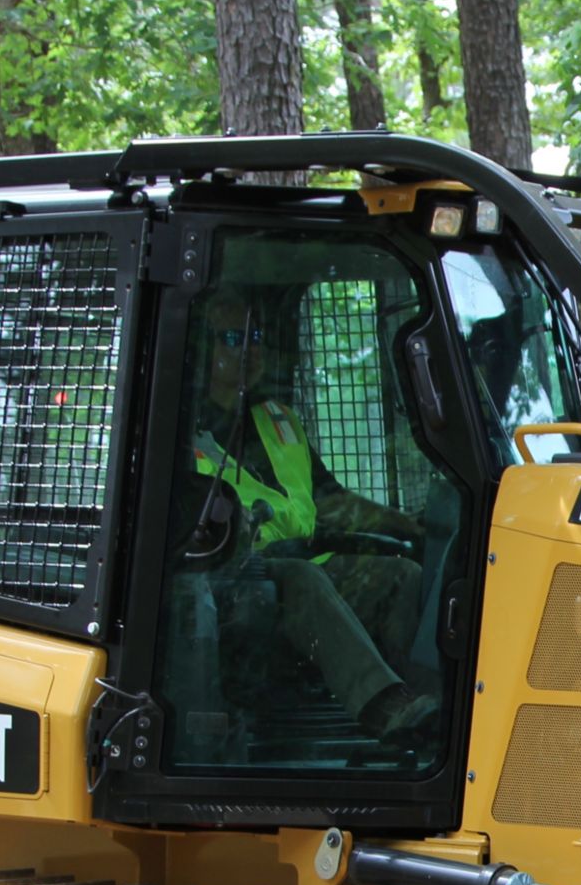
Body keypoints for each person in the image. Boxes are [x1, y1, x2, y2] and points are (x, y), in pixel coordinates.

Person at [186, 294, 439, 745]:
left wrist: (409, 527)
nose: (251, 350)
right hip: (229, 582)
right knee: (302, 579)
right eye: (232, 339)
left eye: (256, 337)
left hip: (304, 566)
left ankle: (424, 705)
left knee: (402, 574)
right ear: (205, 349)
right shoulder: (182, 432)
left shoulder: (277, 421)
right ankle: (386, 710)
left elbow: (331, 502)